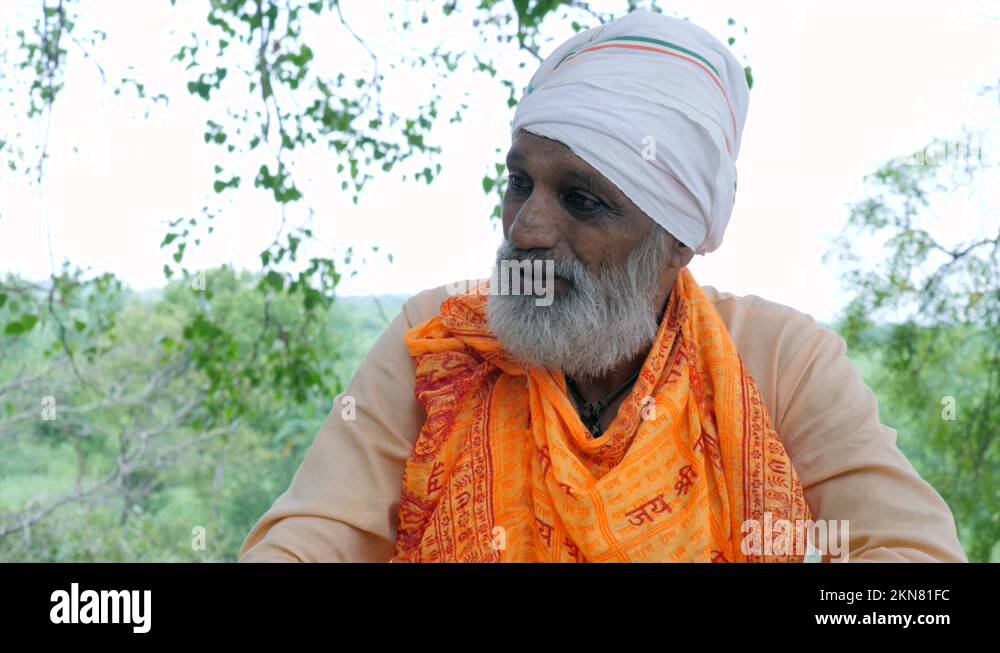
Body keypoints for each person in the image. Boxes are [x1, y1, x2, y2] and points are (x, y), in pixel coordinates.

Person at [239, 10, 966, 563]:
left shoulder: (780, 361)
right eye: (520, 182)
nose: (526, 228)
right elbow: (310, 537)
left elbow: (914, 562)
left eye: (581, 200)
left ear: (676, 241)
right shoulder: (439, 341)